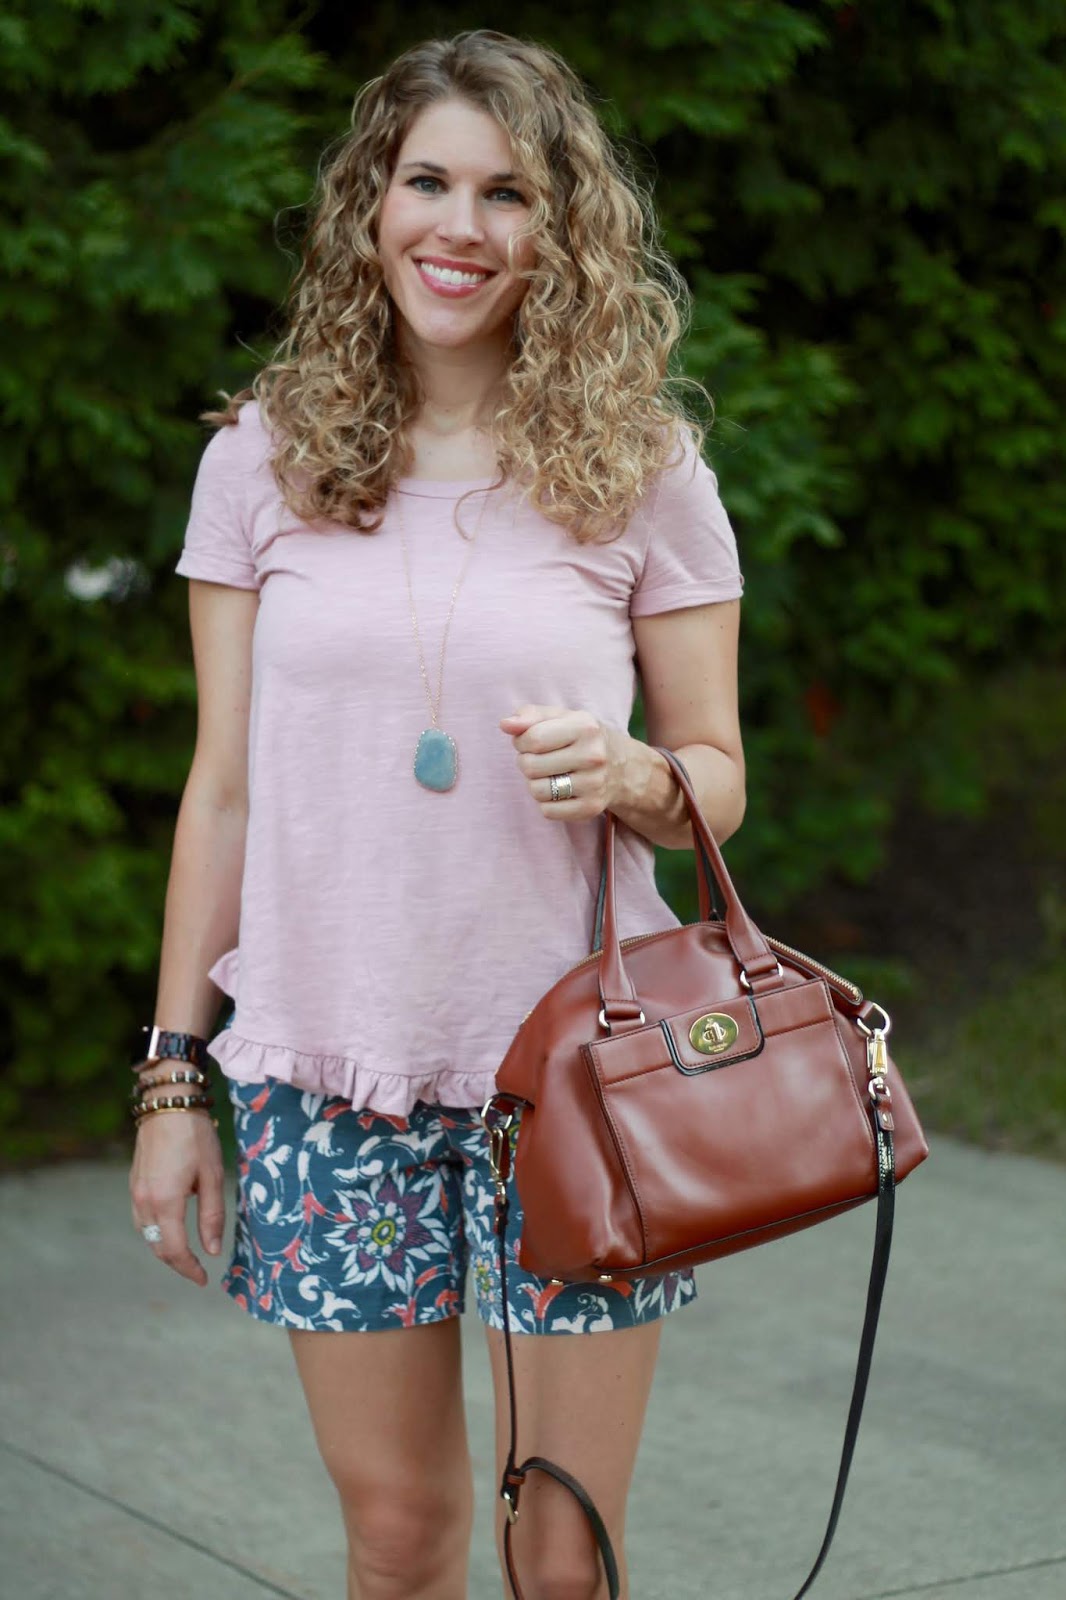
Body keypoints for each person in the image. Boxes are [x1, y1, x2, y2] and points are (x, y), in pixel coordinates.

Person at [128, 28, 745, 1600]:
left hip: (579, 1081)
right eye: (426, 182)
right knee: (398, 1542)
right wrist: (173, 1081)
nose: (458, 229)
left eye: (506, 193)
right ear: (370, 202)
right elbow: (225, 788)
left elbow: (716, 774)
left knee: (561, 1562)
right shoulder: (260, 464)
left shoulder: (642, 466)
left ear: (564, 230)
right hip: (331, 1078)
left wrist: (639, 780)